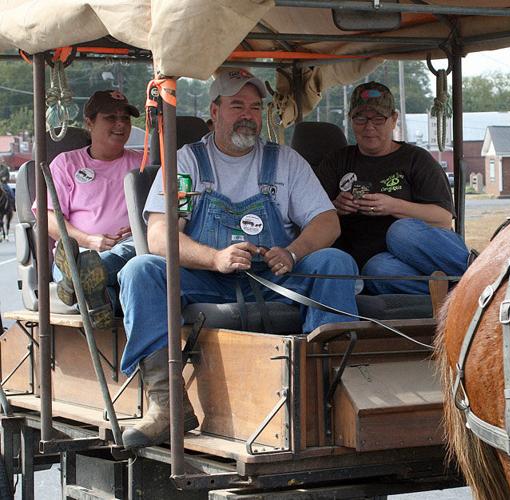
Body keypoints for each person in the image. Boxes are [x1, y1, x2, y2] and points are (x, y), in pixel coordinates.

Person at [117, 68, 358, 448]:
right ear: (214, 111)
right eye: (236, 105)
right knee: (140, 270)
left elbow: (327, 221)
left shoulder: (285, 162)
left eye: (255, 106)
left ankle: (327, 394)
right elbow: (161, 235)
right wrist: (214, 258)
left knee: (335, 263)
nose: (247, 114)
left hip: (275, 279)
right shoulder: (187, 162)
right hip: (209, 280)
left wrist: (294, 252)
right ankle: (167, 407)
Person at [315, 81, 469, 295]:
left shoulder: (416, 159)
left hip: (423, 254)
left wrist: (393, 206)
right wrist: (334, 207)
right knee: (377, 270)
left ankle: (480, 275)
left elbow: (443, 218)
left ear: (394, 119)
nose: (369, 127)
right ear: (351, 120)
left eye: (378, 119)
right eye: (361, 118)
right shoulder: (337, 162)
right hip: (381, 268)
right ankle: (460, 293)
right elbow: (309, 218)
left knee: (400, 231)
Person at [37, 90, 142, 328]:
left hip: (130, 253)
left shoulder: (143, 163)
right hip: (76, 253)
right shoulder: (66, 163)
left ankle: (77, 280)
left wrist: (141, 226)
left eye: (125, 118)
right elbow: (48, 217)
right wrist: (89, 240)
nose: (120, 124)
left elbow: (161, 213)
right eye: (110, 118)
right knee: (96, 289)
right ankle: (82, 275)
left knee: (136, 248)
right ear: (89, 122)